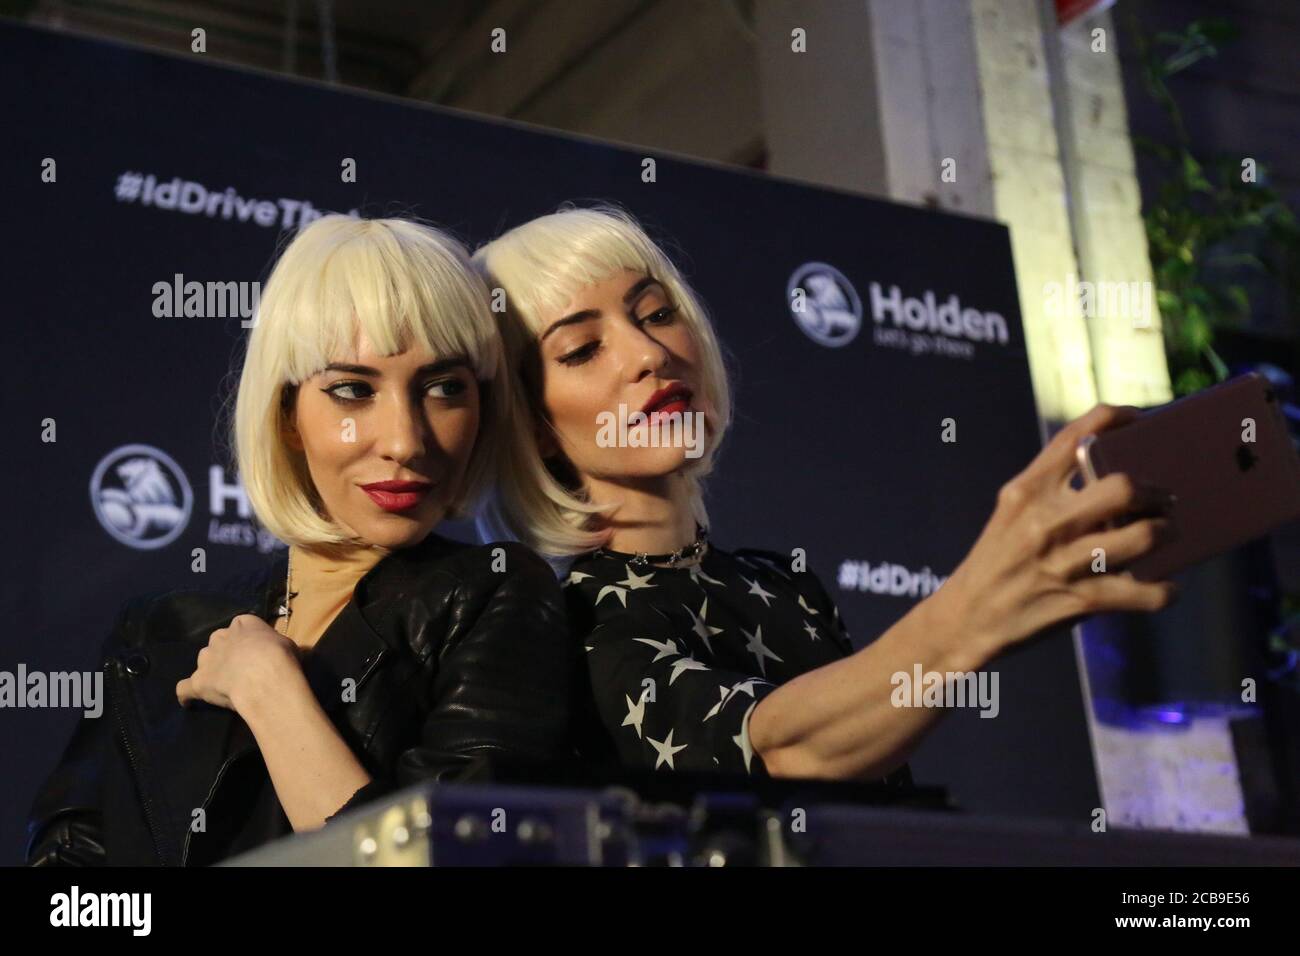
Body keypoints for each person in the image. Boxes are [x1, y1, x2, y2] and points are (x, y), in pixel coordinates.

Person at [471, 204, 1177, 781]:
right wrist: (977, 608)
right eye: (582, 350)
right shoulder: (575, 622)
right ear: (533, 428)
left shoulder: (785, 585)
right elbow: (782, 748)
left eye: (654, 313)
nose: (649, 355)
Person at [27, 215, 575, 865]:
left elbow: (450, 859)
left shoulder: (493, 597)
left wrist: (272, 693)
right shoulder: (157, 632)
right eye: (352, 390)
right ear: (286, 413)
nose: (405, 440)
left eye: (445, 388)